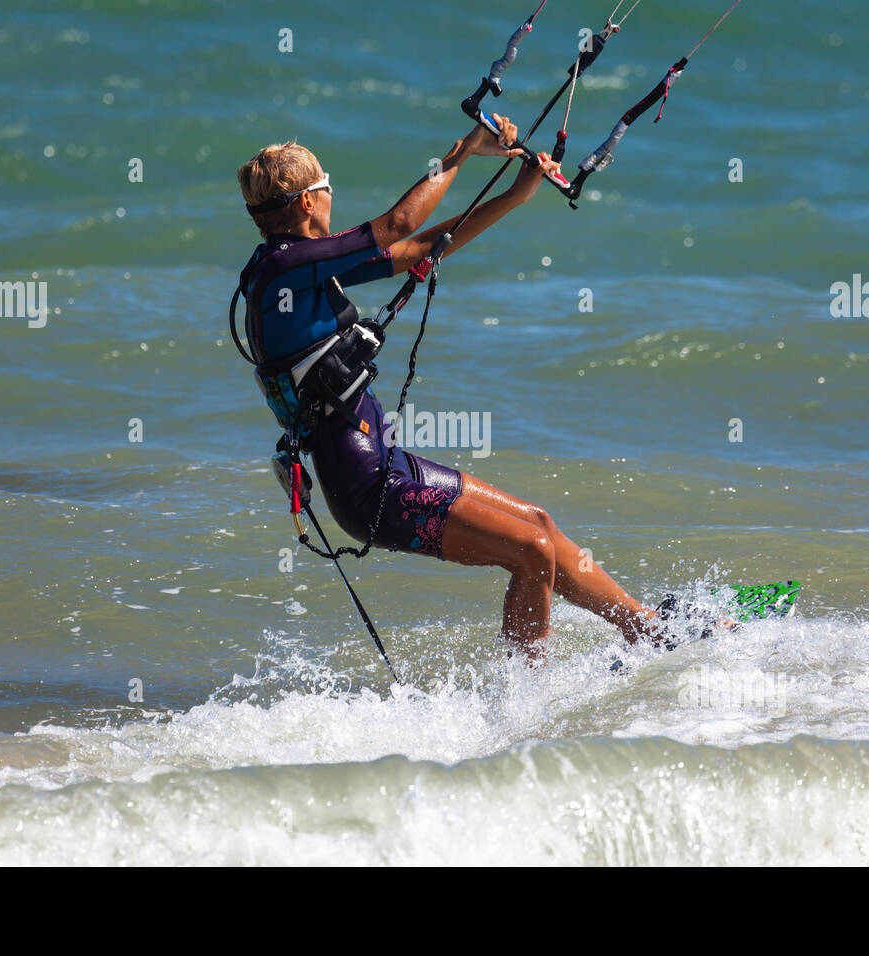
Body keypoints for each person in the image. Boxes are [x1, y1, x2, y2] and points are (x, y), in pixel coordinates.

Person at [234, 115, 672, 662]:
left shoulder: (299, 271)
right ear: (306, 202)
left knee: (538, 525)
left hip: (385, 464)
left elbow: (419, 248)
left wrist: (516, 195)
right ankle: (527, 702)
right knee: (531, 553)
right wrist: (464, 151)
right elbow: (397, 223)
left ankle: (646, 629)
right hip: (367, 490)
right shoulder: (284, 269)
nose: (330, 196)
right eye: (326, 187)